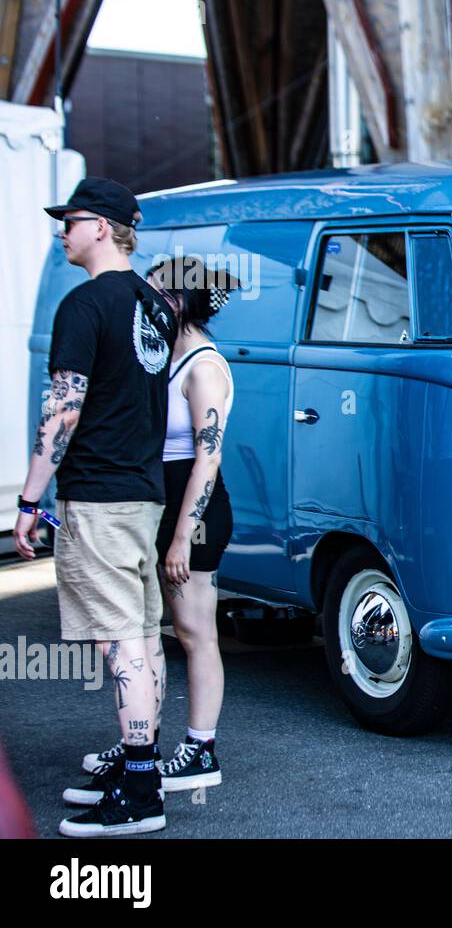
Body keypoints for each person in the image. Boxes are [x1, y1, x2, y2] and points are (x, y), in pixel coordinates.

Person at [12, 177, 176, 835]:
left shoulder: (85, 305)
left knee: (124, 642)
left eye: (70, 221)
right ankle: (141, 765)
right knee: (142, 636)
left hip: (101, 498)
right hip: (142, 492)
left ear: (102, 227)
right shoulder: (155, 307)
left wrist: (30, 498)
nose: (62, 232)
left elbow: (64, 409)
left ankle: (140, 791)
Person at [79, 257, 236, 793]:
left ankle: (201, 749)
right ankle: (140, 744)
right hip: (155, 499)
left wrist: (181, 537)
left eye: (156, 294)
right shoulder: (162, 355)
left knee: (195, 634)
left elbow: (207, 460)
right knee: (150, 634)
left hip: (194, 510)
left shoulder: (204, 366)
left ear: (180, 300)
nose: (146, 303)